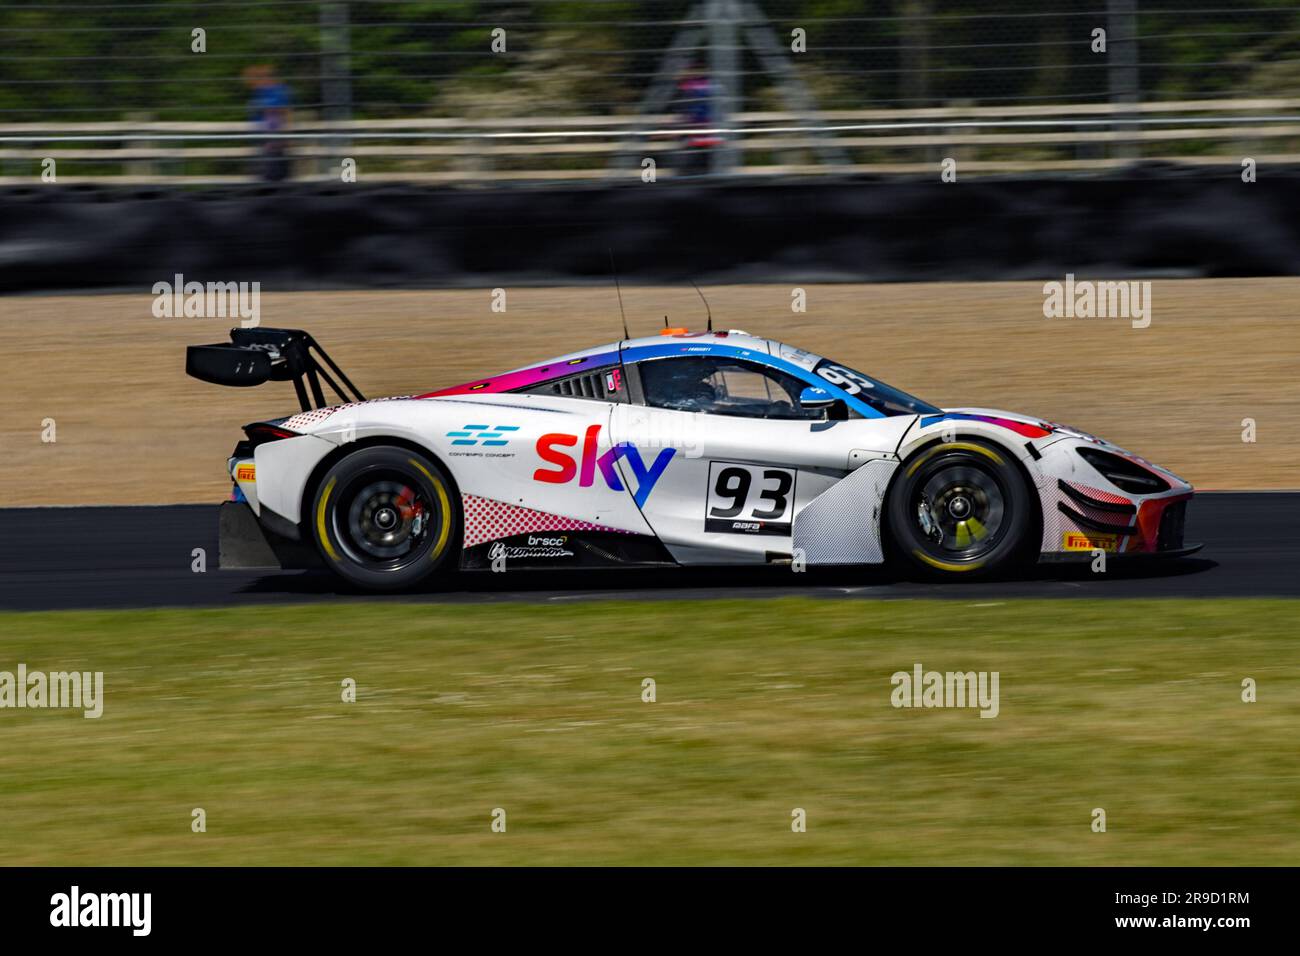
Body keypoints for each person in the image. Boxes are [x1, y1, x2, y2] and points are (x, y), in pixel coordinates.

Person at [243, 64, 294, 182]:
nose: (251, 83)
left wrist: (275, 140)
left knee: (272, 177)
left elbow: (279, 115)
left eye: (253, 79)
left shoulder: (277, 92)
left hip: (271, 143)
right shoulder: (260, 93)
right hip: (263, 142)